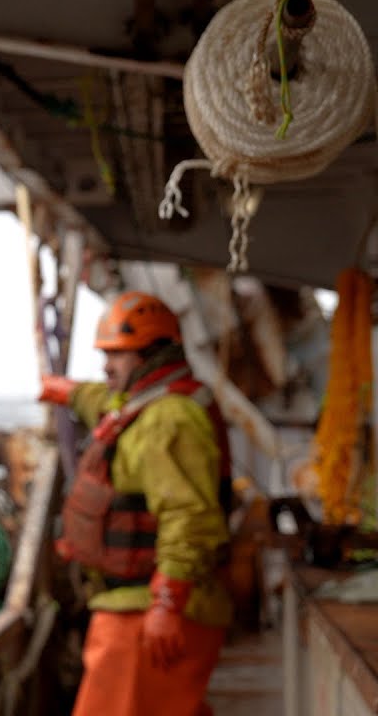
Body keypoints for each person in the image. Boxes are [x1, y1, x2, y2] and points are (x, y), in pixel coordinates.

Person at [38, 291, 232, 716]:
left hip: (149, 612)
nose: (107, 366)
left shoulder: (171, 418)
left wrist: (167, 604)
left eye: (118, 356)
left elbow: (190, 516)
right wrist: (65, 392)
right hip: (130, 608)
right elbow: (104, 403)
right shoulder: (142, 405)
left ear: (151, 356)